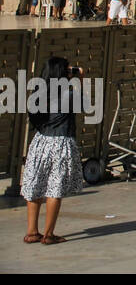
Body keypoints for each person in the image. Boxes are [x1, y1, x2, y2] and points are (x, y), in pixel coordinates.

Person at [20, 56, 85, 244]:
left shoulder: (38, 95)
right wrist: (79, 78)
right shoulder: (69, 95)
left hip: (40, 142)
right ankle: (49, 234)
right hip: (61, 144)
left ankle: (32, 231)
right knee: (54, 189)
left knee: (35, 186)